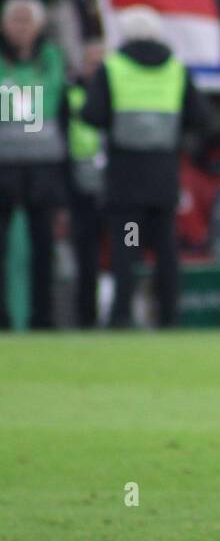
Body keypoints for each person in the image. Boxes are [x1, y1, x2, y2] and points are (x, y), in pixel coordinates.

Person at [81, 5, 209, 327]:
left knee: (127, 248)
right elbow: (201, 118)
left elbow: (91, 115)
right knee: (166, 250)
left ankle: (122, 317)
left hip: (125, 177)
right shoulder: (177, 69)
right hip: (164, 175)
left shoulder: (112, 68)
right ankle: (169, 317)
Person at [0, 0, 66, 329]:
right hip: (4, 168)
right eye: (15, 20)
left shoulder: (52, 57)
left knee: (44, 247)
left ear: (39, 25)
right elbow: (40, 100)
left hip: (44, 167)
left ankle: (44, 319)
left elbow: (50, 97)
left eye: (27, 21)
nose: (21, 28)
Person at [66, 39, 107, 328]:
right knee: (86, 254)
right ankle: (86, 317)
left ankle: (119, 313)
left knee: (126, 248)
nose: (96, 69)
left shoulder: (115, 93)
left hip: (115, 183)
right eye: (91, 62)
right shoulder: (69, 95)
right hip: (80, 184)